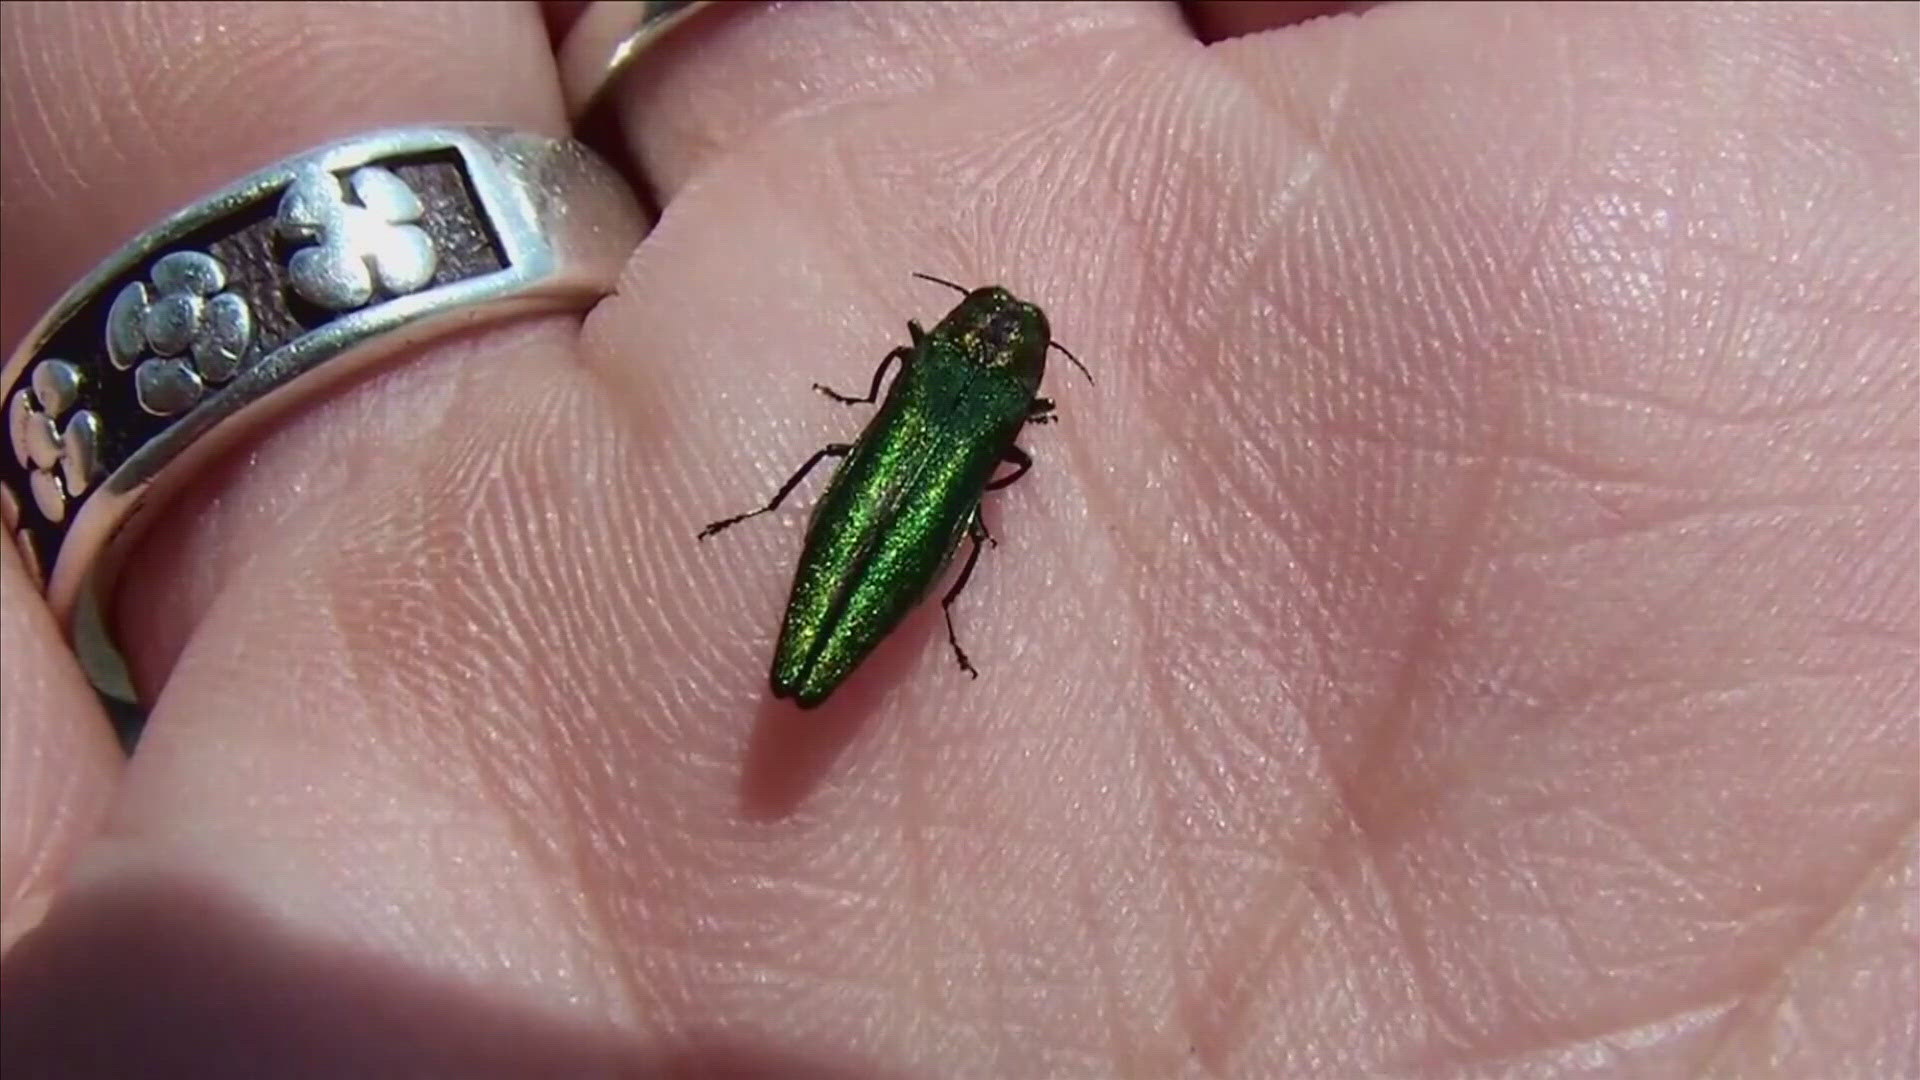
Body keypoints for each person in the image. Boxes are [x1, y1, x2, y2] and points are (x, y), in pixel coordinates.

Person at [2, 1, 1912, 1075]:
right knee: (877, 541)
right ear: (982, 366)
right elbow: (960, 458)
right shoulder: (988, 409)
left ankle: (850, 598)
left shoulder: (942, 392)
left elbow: (919, 443)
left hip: (873, 507)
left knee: (863, 529)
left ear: (957, 357)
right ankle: (854, 601)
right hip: (886, 514)